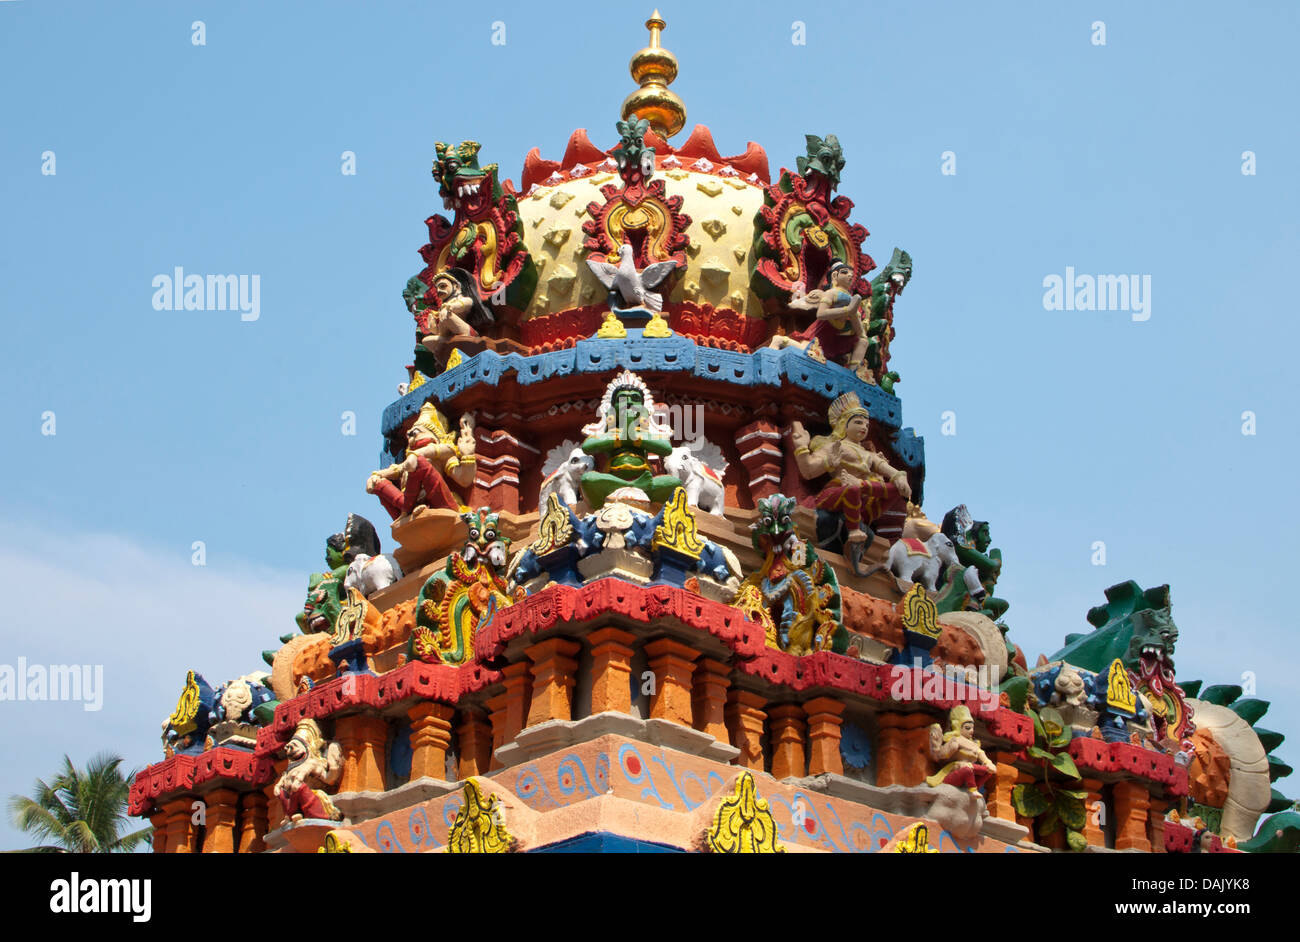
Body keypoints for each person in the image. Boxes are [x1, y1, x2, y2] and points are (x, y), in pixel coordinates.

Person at [791, 392, 911, 546]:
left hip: (863, 505)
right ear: (844, 424)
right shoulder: (835, 447)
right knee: (852, 490)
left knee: (895, 489)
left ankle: (860, 492)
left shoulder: (869, 454)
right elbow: (808, 471)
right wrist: (802, 447)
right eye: (858, 422)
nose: (864, 427)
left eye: (866, 425)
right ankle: (854, 531)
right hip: (838, 494)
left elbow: (890, 471)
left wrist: (901, 478)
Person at [367, 402, 476, 519]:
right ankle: (408, 511)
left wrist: (467, 456)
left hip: (440, 503)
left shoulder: (442, 453)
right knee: (380, 483)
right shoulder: (410, 459)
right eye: (408, 435)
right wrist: (375, 476)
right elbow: (396, 469)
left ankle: (410, 510)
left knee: (421, 465)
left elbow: (465, 480)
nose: (410, 438)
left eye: (415, 433)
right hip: (409, 504)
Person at [768, 260, 869, 374]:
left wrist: (853, 314)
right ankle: (774, 354)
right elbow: (821, 314)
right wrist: (847, 310)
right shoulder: (831, 294)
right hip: (821, 334)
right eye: (845, 272)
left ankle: (852, 374)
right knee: (803, 349)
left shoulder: (850, 299)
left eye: (851, 273)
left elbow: (861, 334)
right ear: (835, 275)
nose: (850, 275)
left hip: (836, 339)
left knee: (863, 341)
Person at [927, 705, 997, 791]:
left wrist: (988, 763)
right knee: (967, 769)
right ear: (958, 726)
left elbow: (982, 755)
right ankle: (972, 788)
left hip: (970, 770)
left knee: (987, 771)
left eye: (972, 728)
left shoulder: (974, 744)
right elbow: (941, 755)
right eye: (967, 728)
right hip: (955, 769)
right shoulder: (955, 740)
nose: (971, 731)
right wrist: (945, 746)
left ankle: (974, 788)